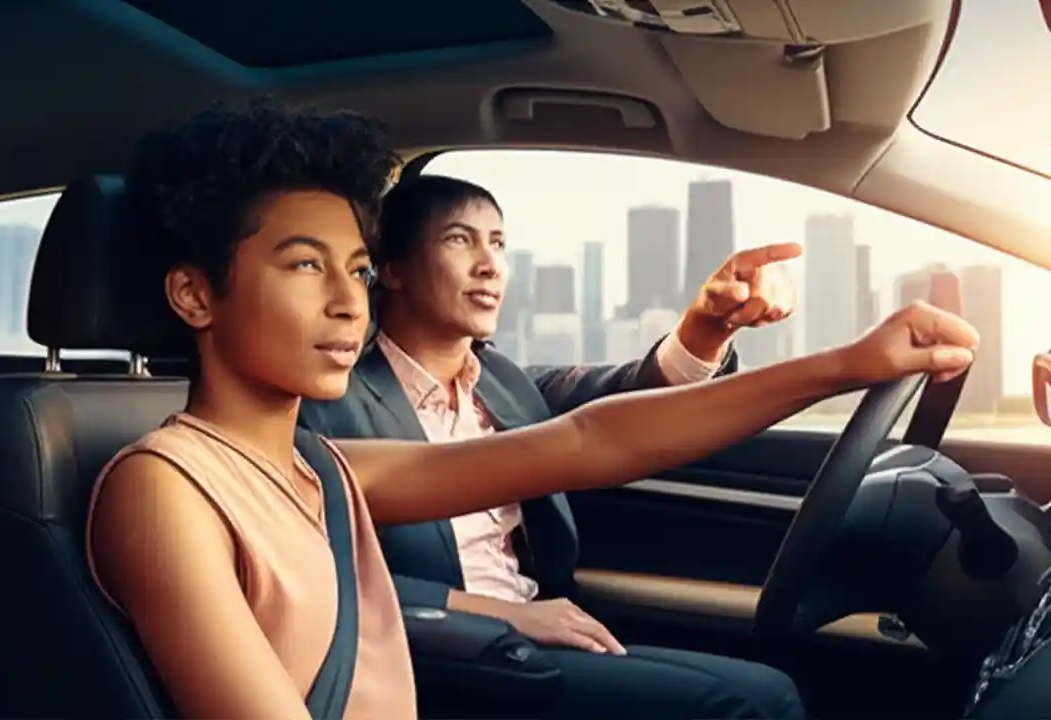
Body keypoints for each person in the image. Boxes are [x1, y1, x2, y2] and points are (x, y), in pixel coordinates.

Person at [85, 100, 979, 720]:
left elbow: (591, 437)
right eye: (303, 264)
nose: (349, 301)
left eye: (355, 268)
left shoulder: (318, 468)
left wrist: (850, 364)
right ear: (196, 296)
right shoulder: (164, 490)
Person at [297, 174, 806, 718]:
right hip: (439, 656)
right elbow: (313, 576)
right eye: (459, 240)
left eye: (497, 242)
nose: (490, 264)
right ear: (392, 270)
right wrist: (505, 616)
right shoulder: (332, 404)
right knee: (757, 700)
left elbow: (624, 402)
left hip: (533, 638)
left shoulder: (504, 383)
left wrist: (706, 327)